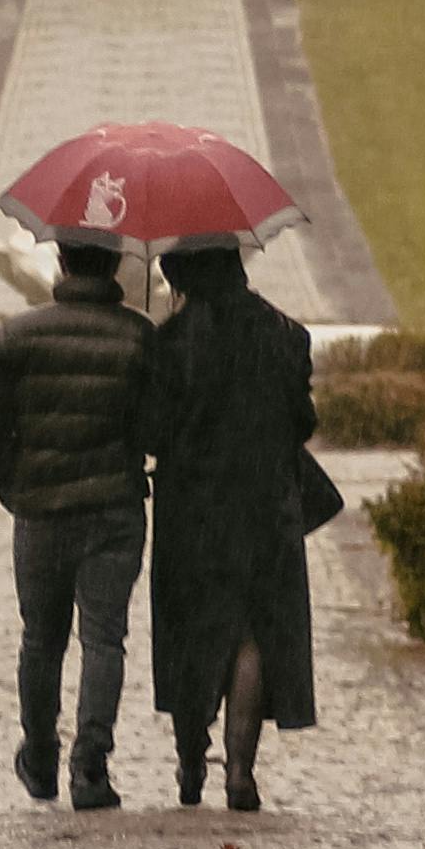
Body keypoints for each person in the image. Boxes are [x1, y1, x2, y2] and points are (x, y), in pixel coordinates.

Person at [0, 241, 153, 810]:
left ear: (63, 264)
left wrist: (13, 487)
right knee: (104, 638)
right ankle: (91, 767)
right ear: (114, 265)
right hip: (113, 508)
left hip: (41, 510)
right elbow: (155, 430)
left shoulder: (18, 337)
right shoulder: (138, 337)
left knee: (40, 639)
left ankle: (41, 754)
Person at [143, 243, 319, 811]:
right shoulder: (287, 336)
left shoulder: (169, 344)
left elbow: (148, 431)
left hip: (189, 510)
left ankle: (191, 763)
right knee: (250, 635)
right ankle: (240, 771)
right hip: (265, 506)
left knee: (191, 633)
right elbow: (303, 422)